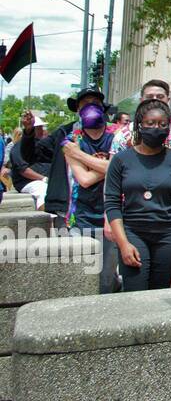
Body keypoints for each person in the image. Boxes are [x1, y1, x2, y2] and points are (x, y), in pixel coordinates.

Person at [104, 99, 171, 292]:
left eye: (162, 124)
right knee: (136, 292)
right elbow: (112, 204)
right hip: (133, 232)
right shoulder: (121, 160)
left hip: (167, 235)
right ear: (139, 125)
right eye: (150, 124)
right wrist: (123, 243)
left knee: (159, 293)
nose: (156, 128)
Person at [40, 88, 120, 293]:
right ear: (78, 110)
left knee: (107, 277)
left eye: (95, 102)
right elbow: (83, 180)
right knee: (81, 277)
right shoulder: (71, 139)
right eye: (85, 103)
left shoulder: (118, 135)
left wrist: (84, 158)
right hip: (80, 216)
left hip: (110, 216)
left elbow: (121, 165)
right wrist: (110, 166)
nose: (90, 106)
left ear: (103, 108)